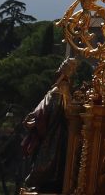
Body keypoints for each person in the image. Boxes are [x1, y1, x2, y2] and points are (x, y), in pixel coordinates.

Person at [21, 57, 77, 192]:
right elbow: (55, 111)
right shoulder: (58, 91)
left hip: (59, 132)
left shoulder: (61, 89)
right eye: (70, 68)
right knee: (50, 159)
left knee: (57, 161)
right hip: (54, 133)